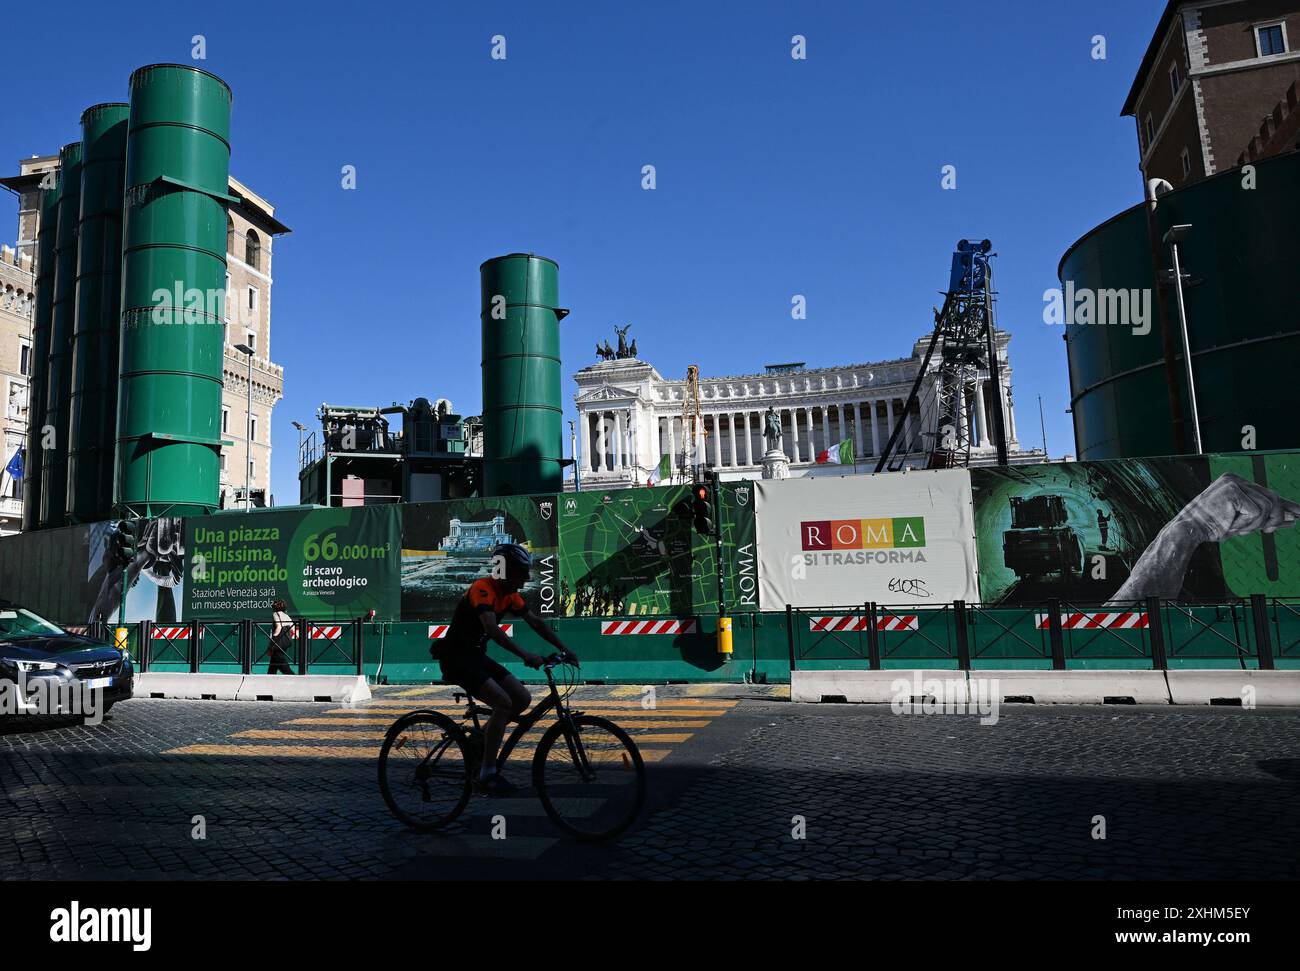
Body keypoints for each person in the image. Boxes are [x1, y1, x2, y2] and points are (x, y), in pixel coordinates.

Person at [433, 543, 579, 796]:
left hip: (475, 656)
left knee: (522, 698)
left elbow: (536, 623)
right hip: (456, 658)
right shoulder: (483, 589)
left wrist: (567, 649)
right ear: (505, 571)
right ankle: (487, 774)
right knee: (502, 703)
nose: (526, 578)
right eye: (521, 572)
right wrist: (525, 655)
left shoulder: (509, 595)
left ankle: (480, 742)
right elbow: (491, 628)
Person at [267, 599, 295, 675]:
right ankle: (270, 677)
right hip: (287, 641)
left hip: (279, 641)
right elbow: (293, 628)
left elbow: (278, 627)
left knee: (280, 661)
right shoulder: (286, 616)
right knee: (274, 661)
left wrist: (273, 640)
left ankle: (292, 676)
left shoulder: (276, 614)